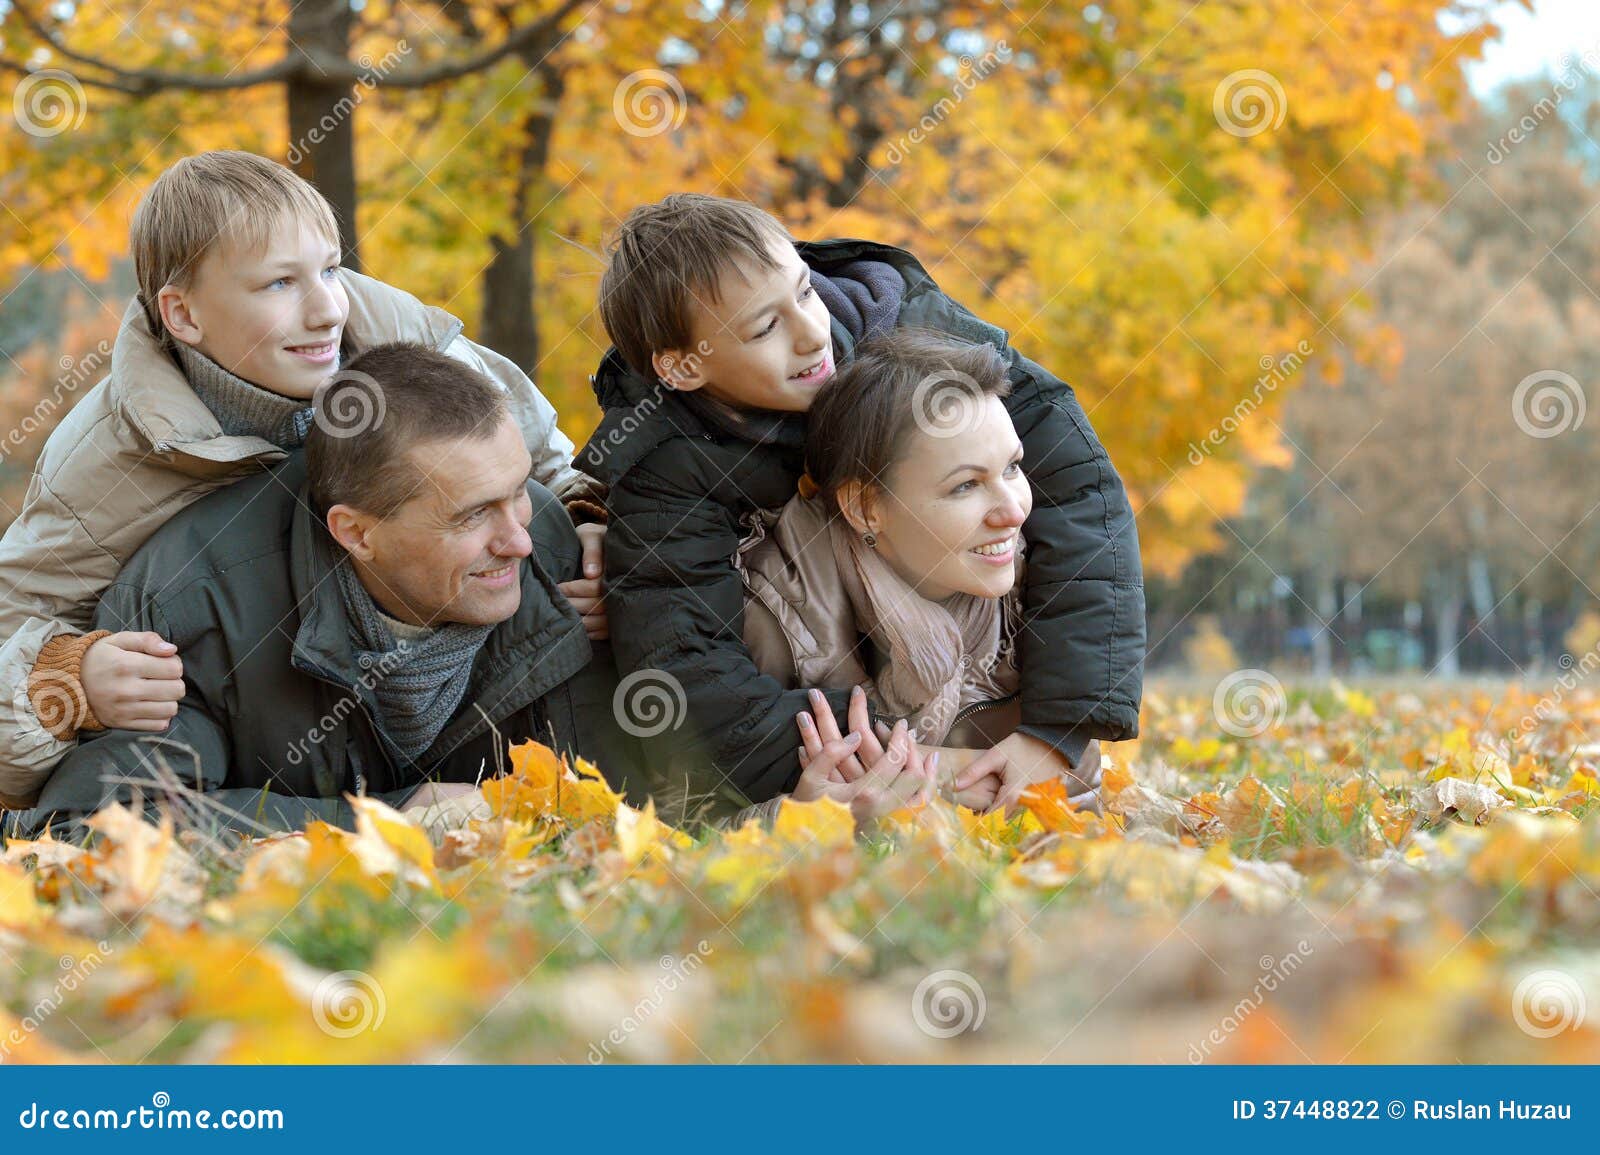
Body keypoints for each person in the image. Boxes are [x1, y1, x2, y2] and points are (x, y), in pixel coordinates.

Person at [0, 150, 607, 811]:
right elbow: (14, 613)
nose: (326, 311)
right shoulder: (107, 460)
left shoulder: (396, 331)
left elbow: (530, 447)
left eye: (329, 268)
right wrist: (66, 672)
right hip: (245, 675)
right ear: (183, 315)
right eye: (278, 285)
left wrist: (586, 518)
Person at [581, 193, 1142, 819]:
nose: (811, 332)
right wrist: (907, 762)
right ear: (683, 368)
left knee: (1006, 507)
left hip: (956, 641)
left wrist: (1059, 730)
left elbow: (1082, 489)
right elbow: (689, 676)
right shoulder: (663, 461)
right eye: (765, 327)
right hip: (826, 675)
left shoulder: (917, 332)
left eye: (804, 291)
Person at [8, 344, 641, 839]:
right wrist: (383, 822)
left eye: (518, 495)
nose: (519, 542)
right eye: (473, 516)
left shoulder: (565, 555)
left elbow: (658, 787)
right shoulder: (189, 607)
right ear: (357, 533)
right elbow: (93, 825)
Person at [736, 329, 1101, 824]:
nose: (1013, 511)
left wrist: (947, 778)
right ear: (866, 508)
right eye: (966, 485)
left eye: (1012, 467)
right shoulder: (771, 616)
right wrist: (805, 816)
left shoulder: (1045, 590)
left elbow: (1081, 773)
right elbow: (680, 817)